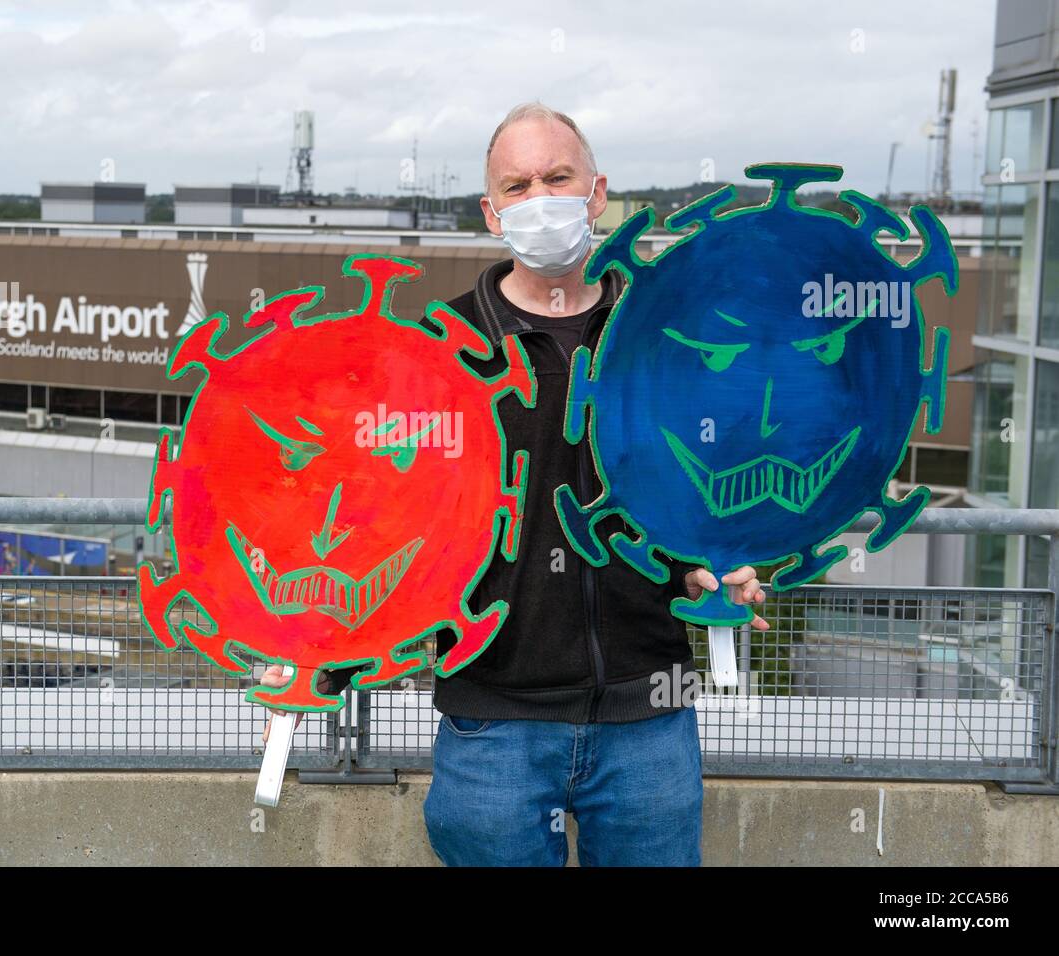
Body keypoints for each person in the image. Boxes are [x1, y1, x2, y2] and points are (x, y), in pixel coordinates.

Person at [263, 102, 767, 866]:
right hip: (492, 721)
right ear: (491, 212)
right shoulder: (441, 354)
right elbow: (381, 516)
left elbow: (705, 485)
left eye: (557, 177)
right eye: (519, 184)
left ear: (597, 193)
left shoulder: (664, 340)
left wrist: (720, 558)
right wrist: (313, 649)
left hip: (649, 713)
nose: (541, 199)